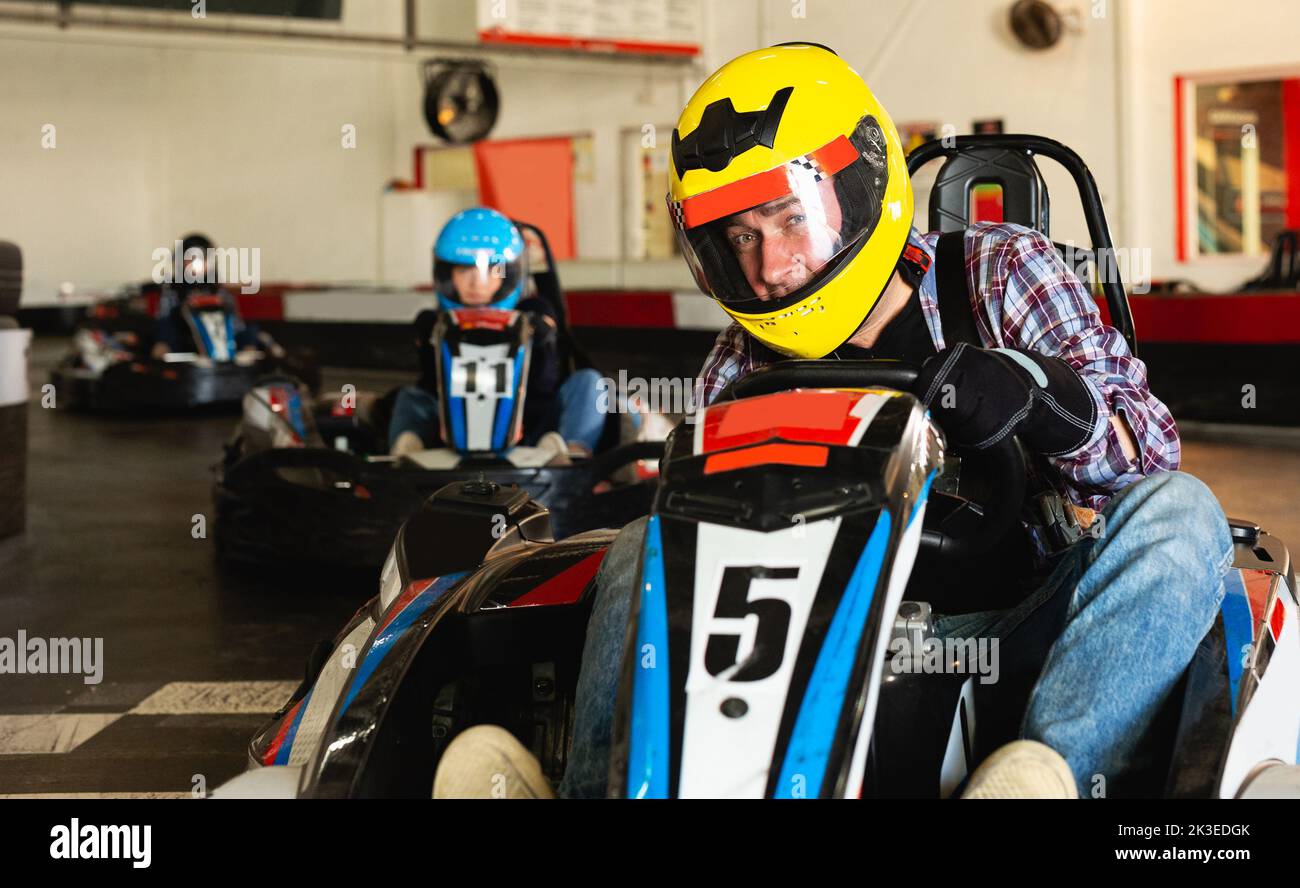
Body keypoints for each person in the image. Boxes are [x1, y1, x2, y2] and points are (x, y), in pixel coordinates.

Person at [434, 44, 1233, 799]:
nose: (768, 266)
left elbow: (1149, 452)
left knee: (1184, 514)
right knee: (641, 547)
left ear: (862, 186)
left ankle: (1049, 772)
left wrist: (1043, 395)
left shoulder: (998, 269)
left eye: (787, 219)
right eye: (738, 237)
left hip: (1009, 618)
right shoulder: (740, 357)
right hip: (797, 638)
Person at [387, 208, 605, 459]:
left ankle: (571, 453)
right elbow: (428, 384)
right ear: (447, 274)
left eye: (491, 270)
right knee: (411, 397)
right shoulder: (433, 323)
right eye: (464, 271)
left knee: (589, 382)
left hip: (533, 429)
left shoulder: (533, 310)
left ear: (508, 273)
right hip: (450, 433)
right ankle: (406, 451)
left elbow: (547, 324)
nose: (477, 283)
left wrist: (537, 328)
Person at [151, 233, 264, 361]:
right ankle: (161, 361)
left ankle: (246, 361)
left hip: (219, 339)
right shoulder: (172, 289)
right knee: (164, 327)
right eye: (190, 258)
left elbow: (236, 324)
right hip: (185, 340)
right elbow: (164, 318)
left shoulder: (219, 290)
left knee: (250, 330)